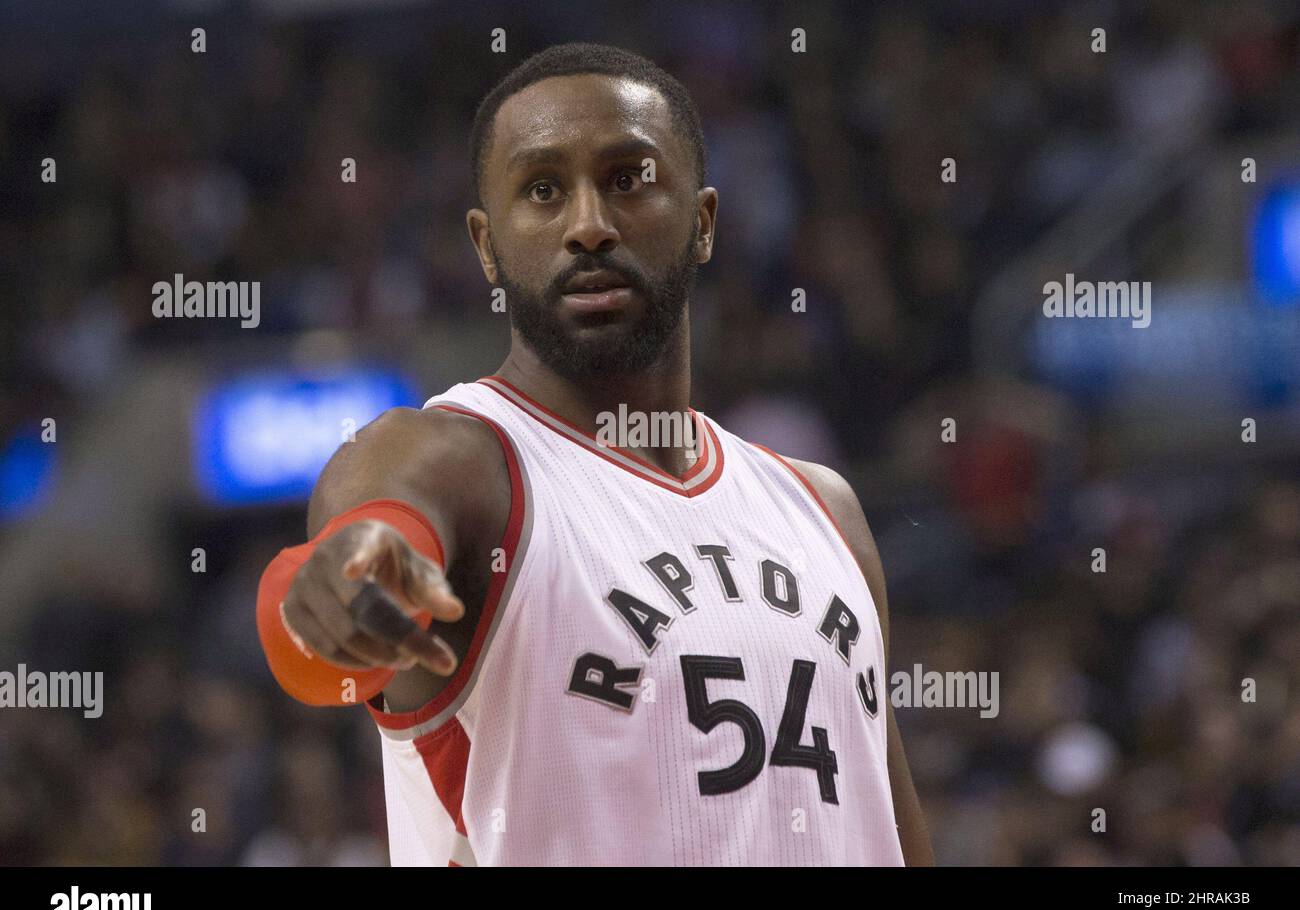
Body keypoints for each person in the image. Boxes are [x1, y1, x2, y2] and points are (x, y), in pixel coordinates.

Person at [256, 42, 932, 867]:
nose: (589, 225)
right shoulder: (460, 460)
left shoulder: (826, 511)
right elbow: (330, 601)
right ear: (487, 246)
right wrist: (334, 582)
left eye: (629, 179)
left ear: (705, 221)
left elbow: (892, 837)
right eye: (543, 190)